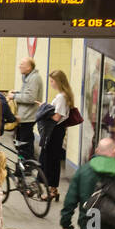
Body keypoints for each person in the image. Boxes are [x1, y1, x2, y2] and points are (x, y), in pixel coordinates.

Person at [60, 136, 115, 229]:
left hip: (89, 224)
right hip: (114, 224)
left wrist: (66, 223)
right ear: (114, 151)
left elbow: (70, 199)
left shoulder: (84, 170)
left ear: (97, 150)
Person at [39, 69, 75, 202]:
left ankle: (51, 190)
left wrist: (43, 109)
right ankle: (52, 189)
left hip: (54, 131)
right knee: (53, 160)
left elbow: (56, 117)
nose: (51, 83)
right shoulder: (65, 95)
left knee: (50, 160)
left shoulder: (61, 97)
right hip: (59, 131)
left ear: (58, 82)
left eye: (52, 81)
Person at [9, 58, 42, 162]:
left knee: (25, 144)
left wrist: (14, 97)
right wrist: (17, 93)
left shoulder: (34, 78)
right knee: (20, 143)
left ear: (29, 67)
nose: (19, 66)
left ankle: (27, 165)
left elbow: (31, 98)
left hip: (28, 117)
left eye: (22, 64)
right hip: (24, 116)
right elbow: (27, 94)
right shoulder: (28, 77)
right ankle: (22, 166)